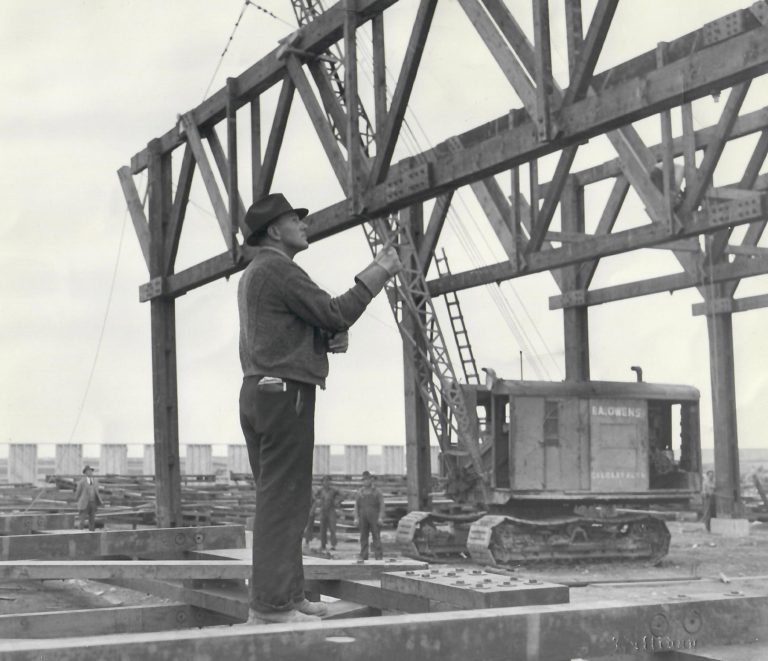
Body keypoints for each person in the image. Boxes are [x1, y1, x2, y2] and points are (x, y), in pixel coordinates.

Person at [237, 193, 401, 625]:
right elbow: (334, 312)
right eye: (296, 219)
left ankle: (288, 597)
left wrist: (324, 337)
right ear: (275, 230)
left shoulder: (258, 274)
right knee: (283, 505)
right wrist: (379, 272)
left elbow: (293, 328)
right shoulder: (279, 269)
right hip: (283, 395)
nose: (304, 225)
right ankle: (272, 609)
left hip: (261, 392)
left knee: (286, 501)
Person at [354, 470, 385, 561]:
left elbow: (382, 505)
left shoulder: (377, 492)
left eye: (367, 479)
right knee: (363, 536)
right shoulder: (360, 492)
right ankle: (364, 556)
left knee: (376, 536)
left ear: (371, 480)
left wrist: (380, 517)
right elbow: (356, 506)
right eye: (364, 480)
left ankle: (378, 556)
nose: (365, 481)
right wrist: (356, 518)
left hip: (374, 517)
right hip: (362, 516)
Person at [314, 475, 344, 554]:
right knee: (322, 529)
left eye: (328, 481)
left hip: (331, 510)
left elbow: (343, 495)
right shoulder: (320, 490)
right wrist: (318, 501)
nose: (326, 482)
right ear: (322, 482)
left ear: (330, 482)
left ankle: (333, 545)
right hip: (323, 510)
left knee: (332, 528)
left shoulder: (333, 490)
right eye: (325, 481)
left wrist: (337, 501)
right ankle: (323, 545)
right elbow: (315, 497)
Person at [74, 465, 102, 531]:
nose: (90, 472)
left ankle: (91, 535)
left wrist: (98, 501)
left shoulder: (95, 481)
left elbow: (97, 491)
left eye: (91, 471)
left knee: (92, 521)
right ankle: (79, 534)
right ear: (85, 473)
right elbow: (78, 493)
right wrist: (77, 501)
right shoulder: (81, 482)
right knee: (82, 521)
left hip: (93, 503)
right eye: (89, 471)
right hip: (84, 504)